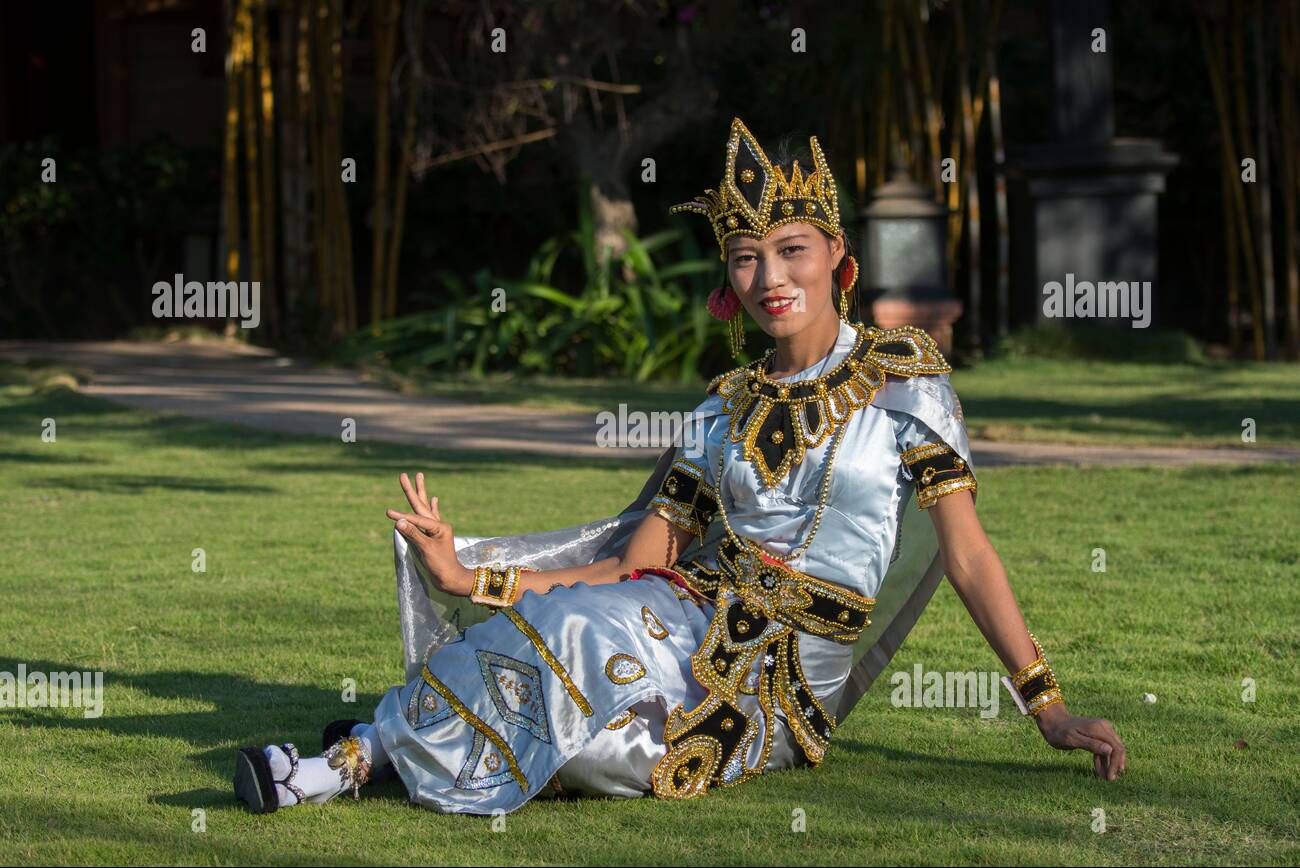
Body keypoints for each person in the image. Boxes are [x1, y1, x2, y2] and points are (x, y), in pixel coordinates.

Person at [233, 116, 1126, 816]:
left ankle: (402, 740)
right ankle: (336, 765)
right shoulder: (720, 406)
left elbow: (967, 556)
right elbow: (633, 569)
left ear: (838, 263)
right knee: (569, 627)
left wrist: (1046, 708)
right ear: (727, 280)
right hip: (678, 610)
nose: (770, 275)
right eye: (746, 256)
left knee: (595, 749)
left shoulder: (906, 380)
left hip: (787, 675)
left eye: (791, 250)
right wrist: (467, 576)